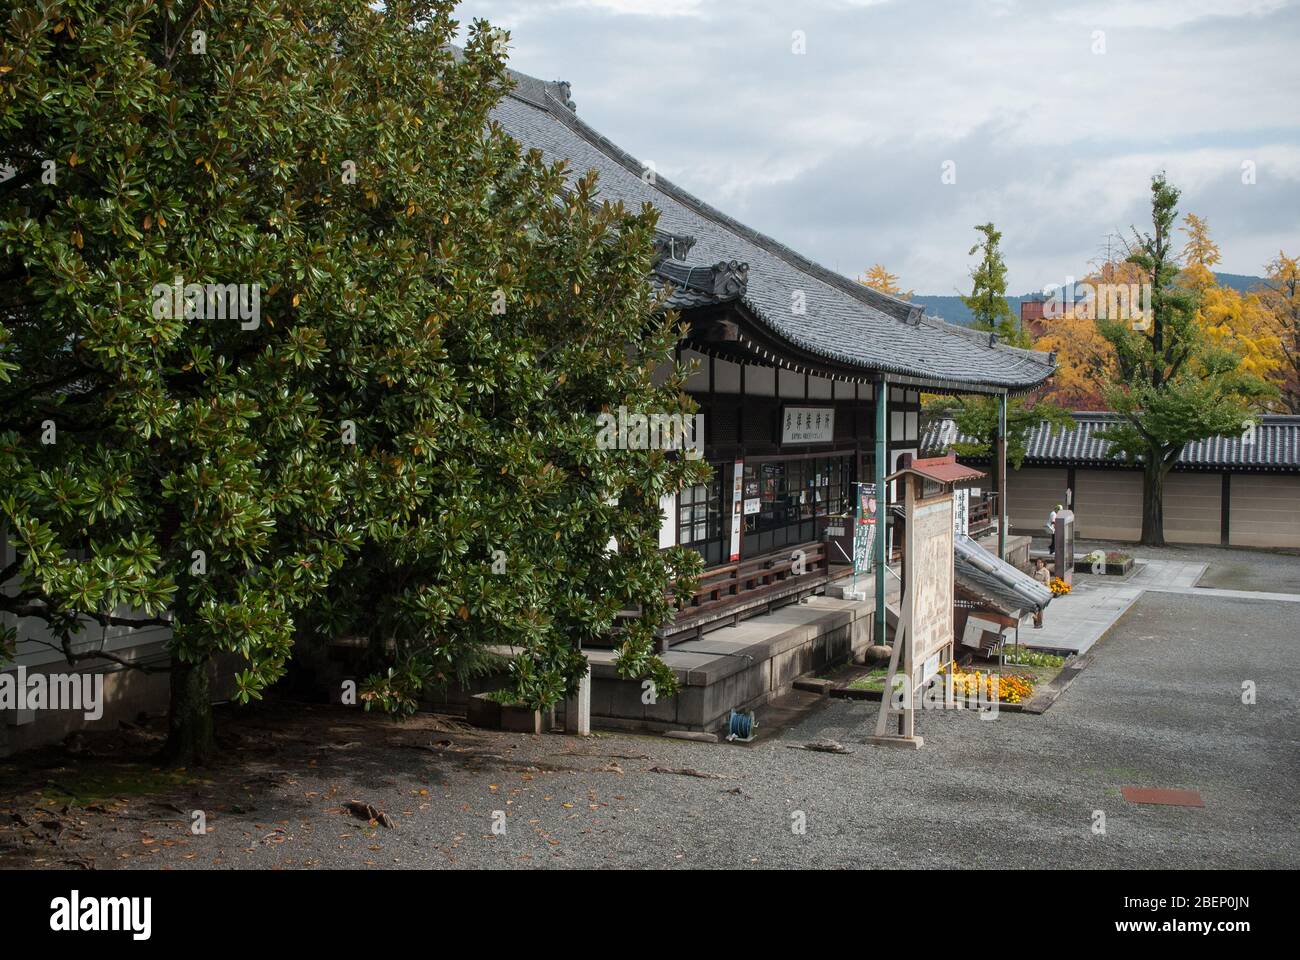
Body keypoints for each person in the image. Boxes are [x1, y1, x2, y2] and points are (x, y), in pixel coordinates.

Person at [1032, 557, 1051, 628]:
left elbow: (1047, 583)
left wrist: (1038, 583)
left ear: (1043, 564)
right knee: (1034, 606)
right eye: (1038, 562)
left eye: (1041, 563)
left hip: (1042, 591)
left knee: (1040, 607)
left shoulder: (1045, 572)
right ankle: (1035, 621)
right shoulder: (1034, 570)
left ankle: (1039, 623)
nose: (1039, 564)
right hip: (1034, 590)